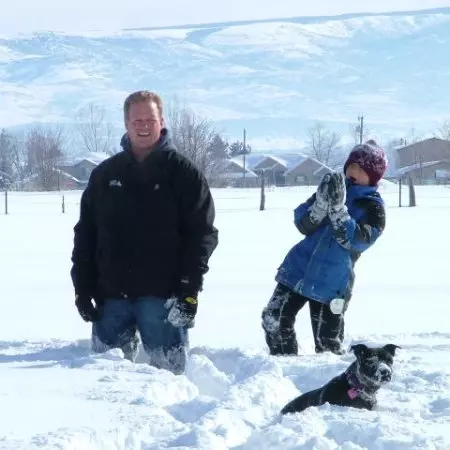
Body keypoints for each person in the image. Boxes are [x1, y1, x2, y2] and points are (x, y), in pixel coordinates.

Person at [71, 90, 219, 374]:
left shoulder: (184, 173)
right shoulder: (104, 174)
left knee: (168, 381)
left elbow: (202, 235)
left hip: (162, 299)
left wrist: (189, 289)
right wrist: (82, 286)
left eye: (149, 119)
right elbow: (86, 234)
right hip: (111, 298)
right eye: (136, 119)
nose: (143, 125)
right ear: (126, 124)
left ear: (161, 121)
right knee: (104, 382)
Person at [261, 140, 387, 356]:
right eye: (351, 166)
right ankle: (284, 366)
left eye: (360, 168)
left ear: (372, 176)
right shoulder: (331, 187)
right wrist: (319, 206)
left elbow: (359, 240)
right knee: (274, 318)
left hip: (332, 282)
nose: (352, 171)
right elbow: (302, 223)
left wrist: (339, 211)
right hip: (297, 268)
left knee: (327, 342)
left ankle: (324, 381)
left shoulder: (373, 206)